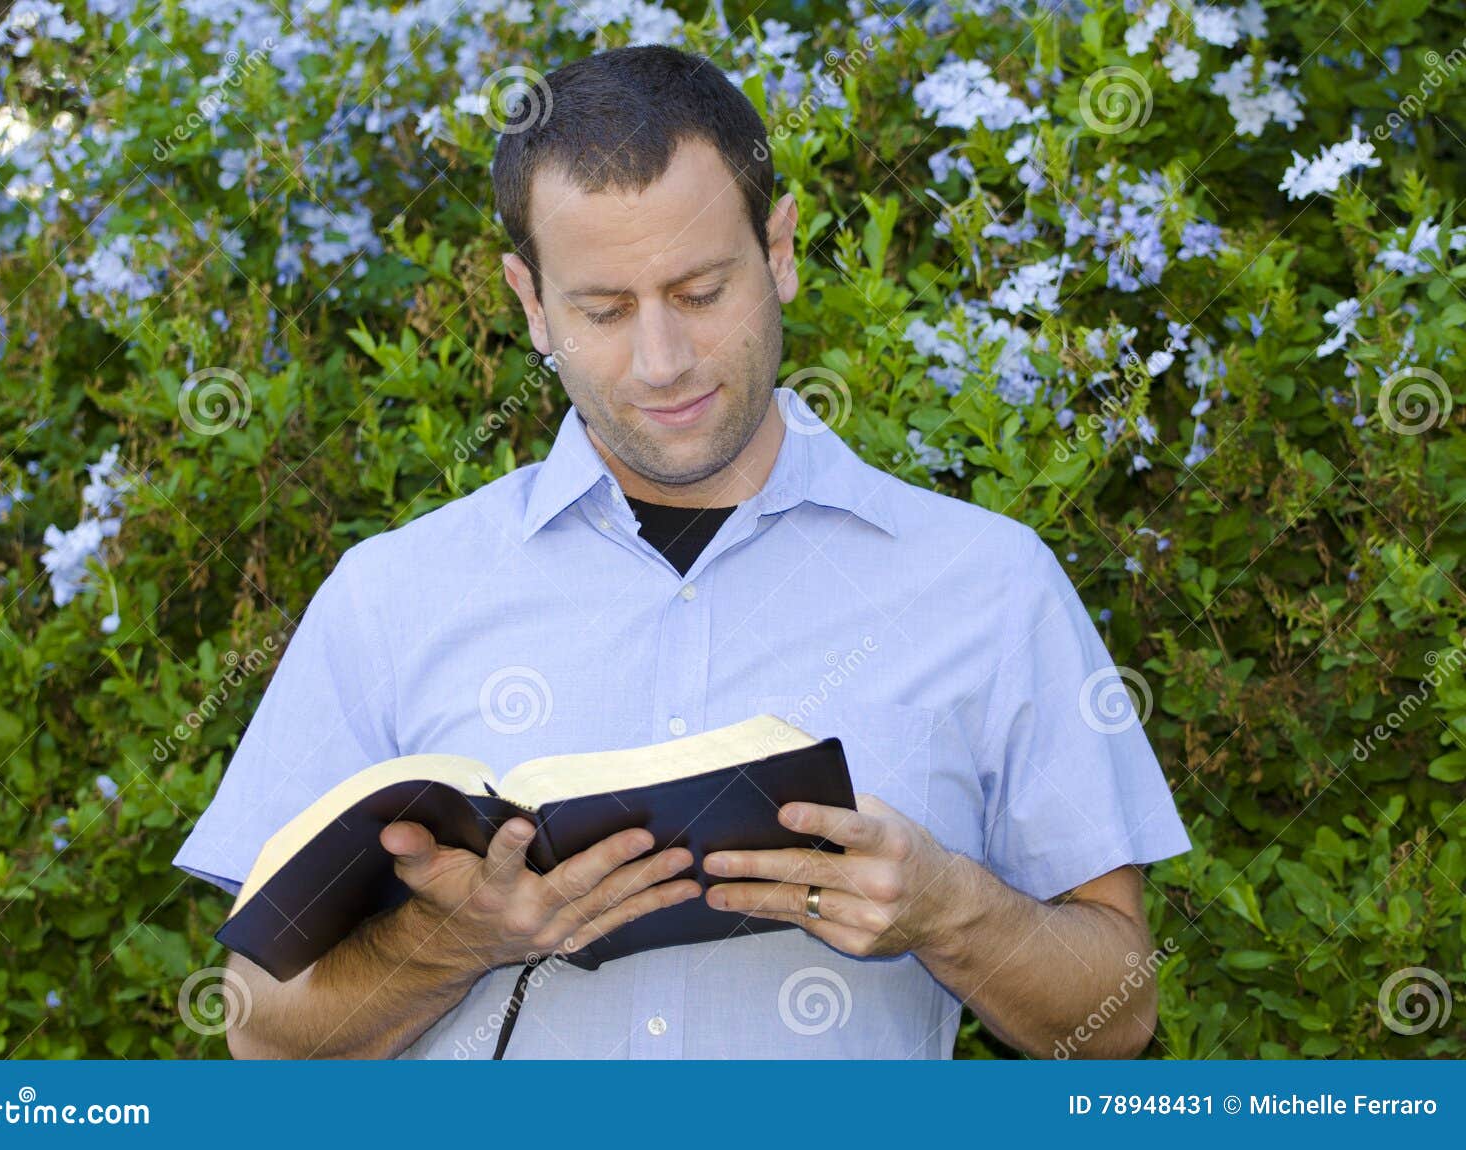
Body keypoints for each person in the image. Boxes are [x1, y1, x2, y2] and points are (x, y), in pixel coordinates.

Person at [173, 44, 1190, 1060]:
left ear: (779, 249)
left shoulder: (989, 583)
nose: (661, 362)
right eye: (603, 311)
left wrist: (951, 910)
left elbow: (1119, 1014)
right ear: (529, 302)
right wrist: (456, 939)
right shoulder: (392, 596)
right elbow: (263, 1031)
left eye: (701, 292)